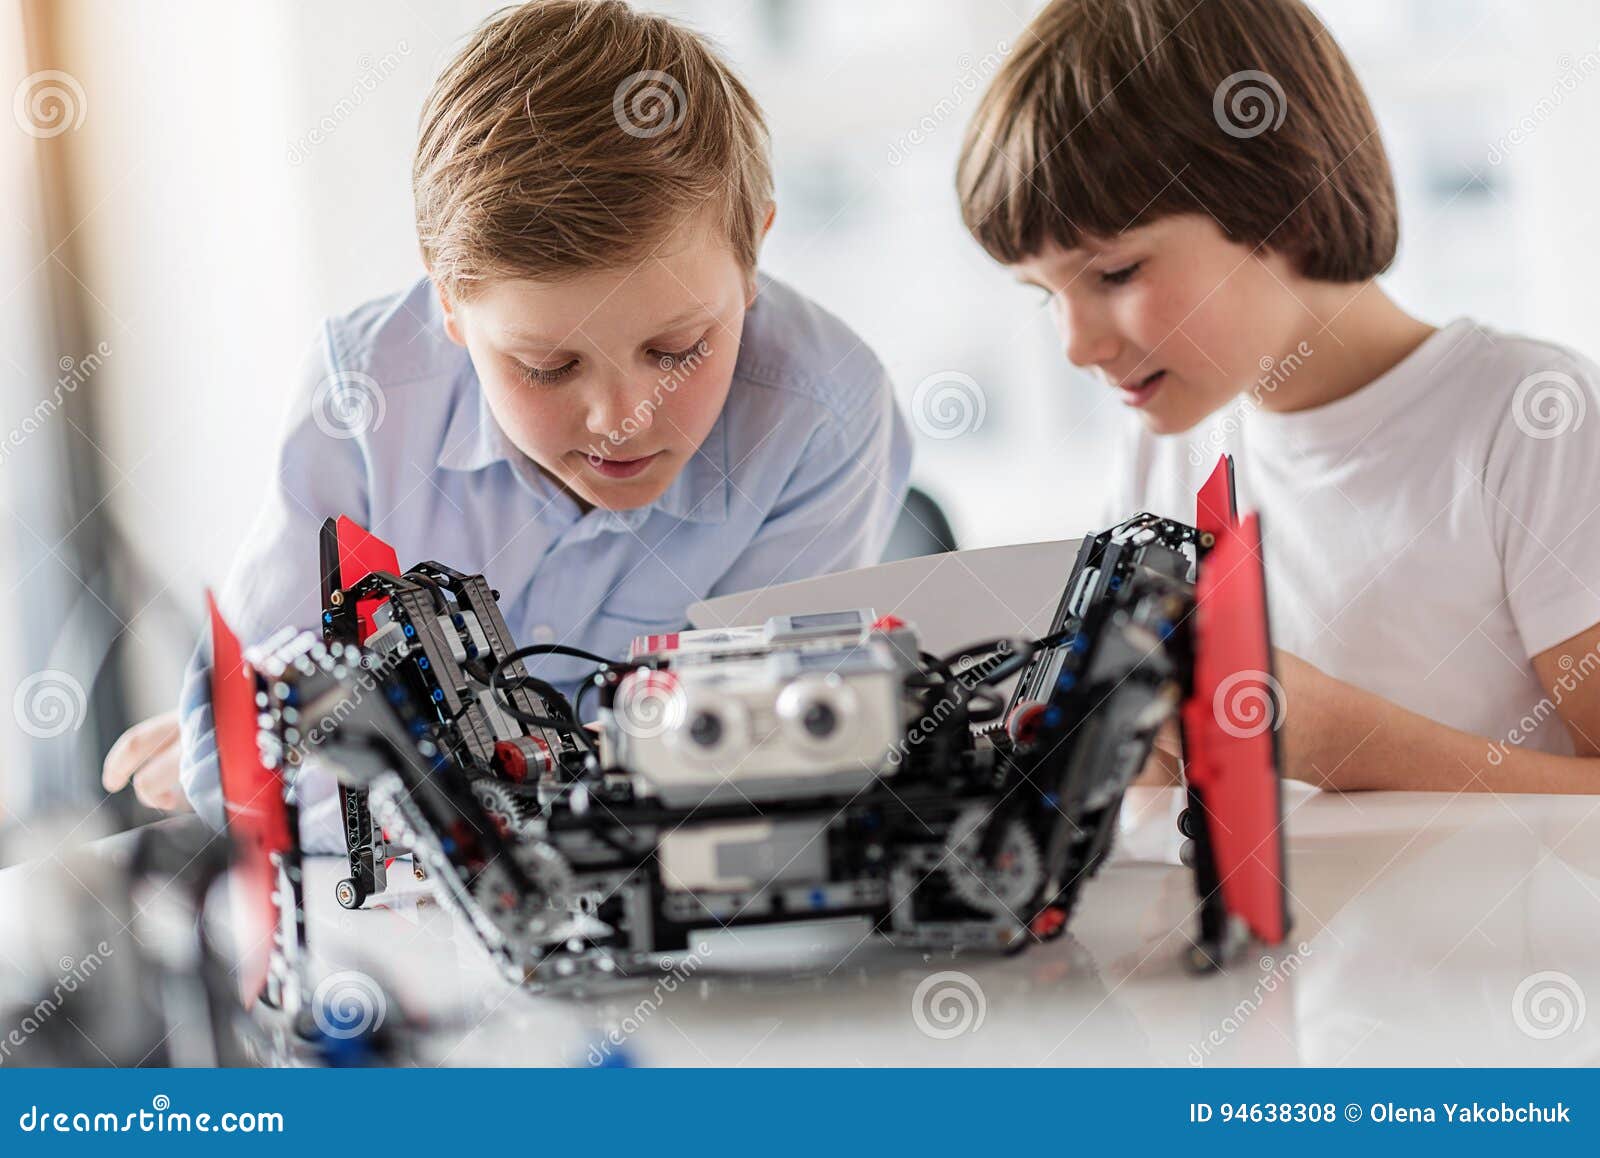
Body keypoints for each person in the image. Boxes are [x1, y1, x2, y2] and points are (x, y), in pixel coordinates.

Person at [104, 0, 911, 832]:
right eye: (547, 366)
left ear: (752, 259)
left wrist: (380, 771)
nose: (621, 418)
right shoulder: (365, 398)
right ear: (447, 302)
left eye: (676, 350)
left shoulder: (827, 417)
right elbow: (243, 752)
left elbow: (760, 767)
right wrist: (282, 757)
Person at [956, 0, 1600, 791]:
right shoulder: (1164, 438)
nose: (1077, 346)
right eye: (1041, 294)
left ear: (1284, 203)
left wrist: (1345, 744)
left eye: (1116, 273)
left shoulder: (1529, 417)